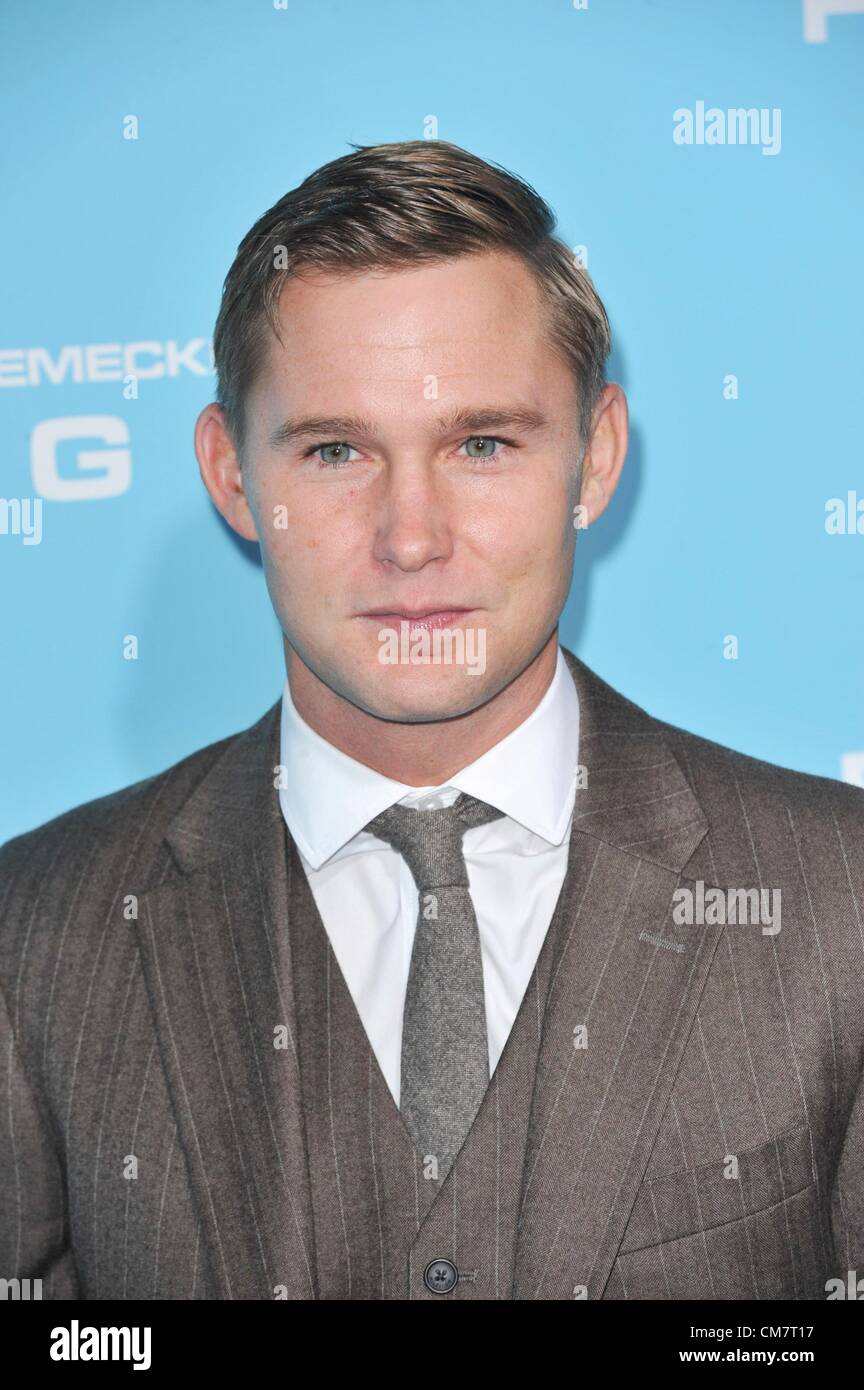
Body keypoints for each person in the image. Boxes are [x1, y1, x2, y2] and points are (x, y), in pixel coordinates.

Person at [1, 140, 862, 1301]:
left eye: (483, 444)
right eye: (337, 449)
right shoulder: (35, 937)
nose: (411, 537)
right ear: (233, 476)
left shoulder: (838, 899)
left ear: (595, 458)